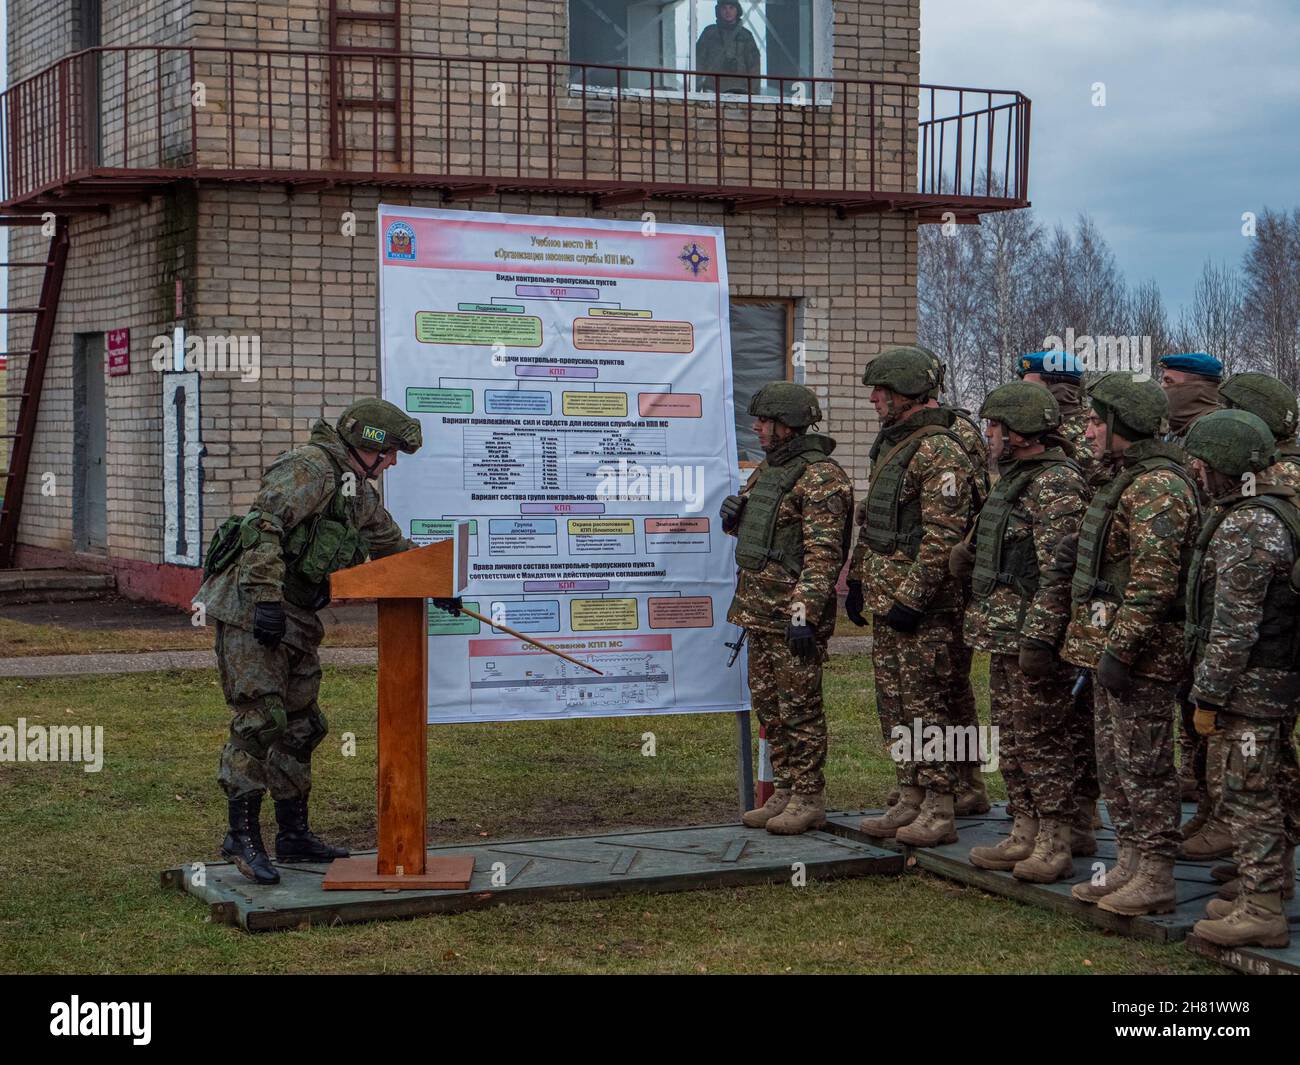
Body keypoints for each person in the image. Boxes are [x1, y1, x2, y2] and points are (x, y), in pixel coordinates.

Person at [193, 398, 439, 885]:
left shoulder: (355, 490)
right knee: (261, 719)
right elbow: (263, 524)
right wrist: (264, 598)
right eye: (389, 452)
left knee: (303, 726)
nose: (391, 463)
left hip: (298, 617)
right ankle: (240, 836)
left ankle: (293, 835)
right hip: (252, 609)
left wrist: (433, 582)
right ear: (366, 443)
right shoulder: (310, 468)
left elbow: (391, 546)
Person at [1055, 373, 1200, 915]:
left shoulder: (1159, 485)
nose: (1088, 431)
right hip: (1112, 648)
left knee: (1145, 766)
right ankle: (1131, 863)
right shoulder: (1127, 477)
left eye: (1096, 422)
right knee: (1115, 764)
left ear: (1120, 426)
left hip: (1143, 655)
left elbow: (1154, 582)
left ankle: (1156, 873)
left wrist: (1121, 649)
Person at [953, 382, 1089, 882]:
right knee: (1013, 739)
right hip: (1002, 633)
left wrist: (1043, 637)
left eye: (995, 426)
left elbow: (1060, 572)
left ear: (1021, 433)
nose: (988, 434)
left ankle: (1056, 839)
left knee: (1045, 739)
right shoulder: (1014, 479)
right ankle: (1025, 828)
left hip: (1031, 638)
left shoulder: (1056, 483)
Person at [846, 346, 977, 847]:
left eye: (882, 390)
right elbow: (875, 523)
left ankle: (940, 806)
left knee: (927, 706)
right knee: (895, 705)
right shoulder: (892, 444)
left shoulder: (940, 450)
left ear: (907, 391)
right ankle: (910, 794)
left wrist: (913, 598)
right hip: (888, 598)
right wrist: (858, 579)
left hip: (925, 609)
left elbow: (943, 536)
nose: (875, 399)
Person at [1183, 410, 1300, 948]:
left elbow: (1233, 627)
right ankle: (1268, 886)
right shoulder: (1283, 508)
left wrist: (1207, 693)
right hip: (1274, 681)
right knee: (1268, 785)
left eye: (1204, 463)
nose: (1198, 472)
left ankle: (1262, 909)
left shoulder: (1248, 523)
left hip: (1249, 686)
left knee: (1249, 793)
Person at [724, 382, 853, 834]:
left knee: (799, 708)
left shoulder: (821, 476)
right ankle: (785, 788)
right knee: (770, 706)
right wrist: (735, 521)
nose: (757, 427)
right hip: (759, 611)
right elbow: (767, 537)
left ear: (787, 425)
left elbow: (823, 556)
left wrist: (804, 614)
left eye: (764, 421)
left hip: (791, 617)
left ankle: (808, 795)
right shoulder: (770, 470)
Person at [1016, 348, 1101, 833]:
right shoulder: (1078, 431)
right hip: (1062, 586)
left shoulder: (1069, 441)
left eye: (1029, 380)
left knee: (1066, 712)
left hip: (1067, 588)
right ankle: (1075, 813)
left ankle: (1075, 816)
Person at [1157, 352, 1224, 814]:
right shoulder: (1178, 438)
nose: (1164, 391)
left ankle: (1213, 805)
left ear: (1197, 387)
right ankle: (1194, 785)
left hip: (1215, 591)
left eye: (1170, 382)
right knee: (1186, 693)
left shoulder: (1222, 436)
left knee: (1209, 700)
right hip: (1184, 591)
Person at [695, 0, 761, 93]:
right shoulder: (709, 33)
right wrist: (695, 87)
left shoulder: (746, 36)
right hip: (712, 89)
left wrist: (753, 94)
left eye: (731, 8)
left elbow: (754, 66)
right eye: (724, 8)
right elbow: (698, 61)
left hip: (740, 91)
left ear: (737, 10)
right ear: (719, 11)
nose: (728, 11)